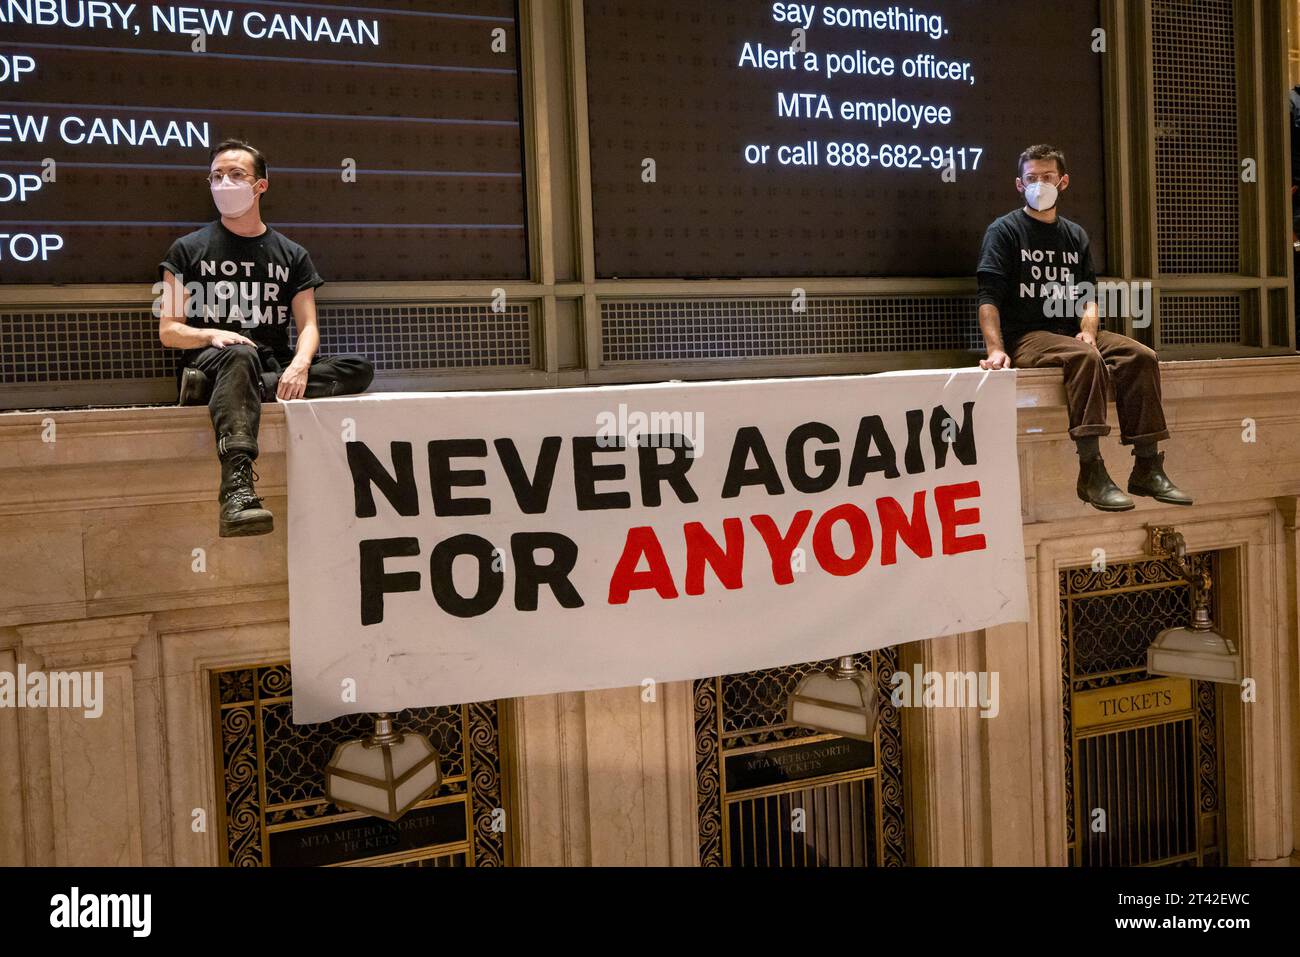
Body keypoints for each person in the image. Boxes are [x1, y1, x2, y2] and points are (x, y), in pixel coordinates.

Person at [157, 139, 375, 537]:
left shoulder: (291, 254)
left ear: (260, 186)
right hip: (215, 356)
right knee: (241, 353)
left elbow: (308, 326)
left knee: (359, 369)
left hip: (273, 363)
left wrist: (300, 365)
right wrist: (211, 333)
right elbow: (169, 331)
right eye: (217, 176)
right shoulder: (186, 250)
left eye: (236, 175)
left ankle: (230, 390)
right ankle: (237, 491)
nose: (225, 182)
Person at [975, 144, 1191, 512]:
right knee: (1084, 357)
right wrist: (996, 349)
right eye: (1031, 178)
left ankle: (1147, 465)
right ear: (1018, 184)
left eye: (1047, 177)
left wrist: (1089, 329)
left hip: (1069, 329)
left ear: (1063, 181)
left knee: (1140, 355)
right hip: (1028, 336)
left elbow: (1088, 295)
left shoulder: (1075, 235)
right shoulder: (1005, 231)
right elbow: (988, 297)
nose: (1039, 184)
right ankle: (1091, 471)